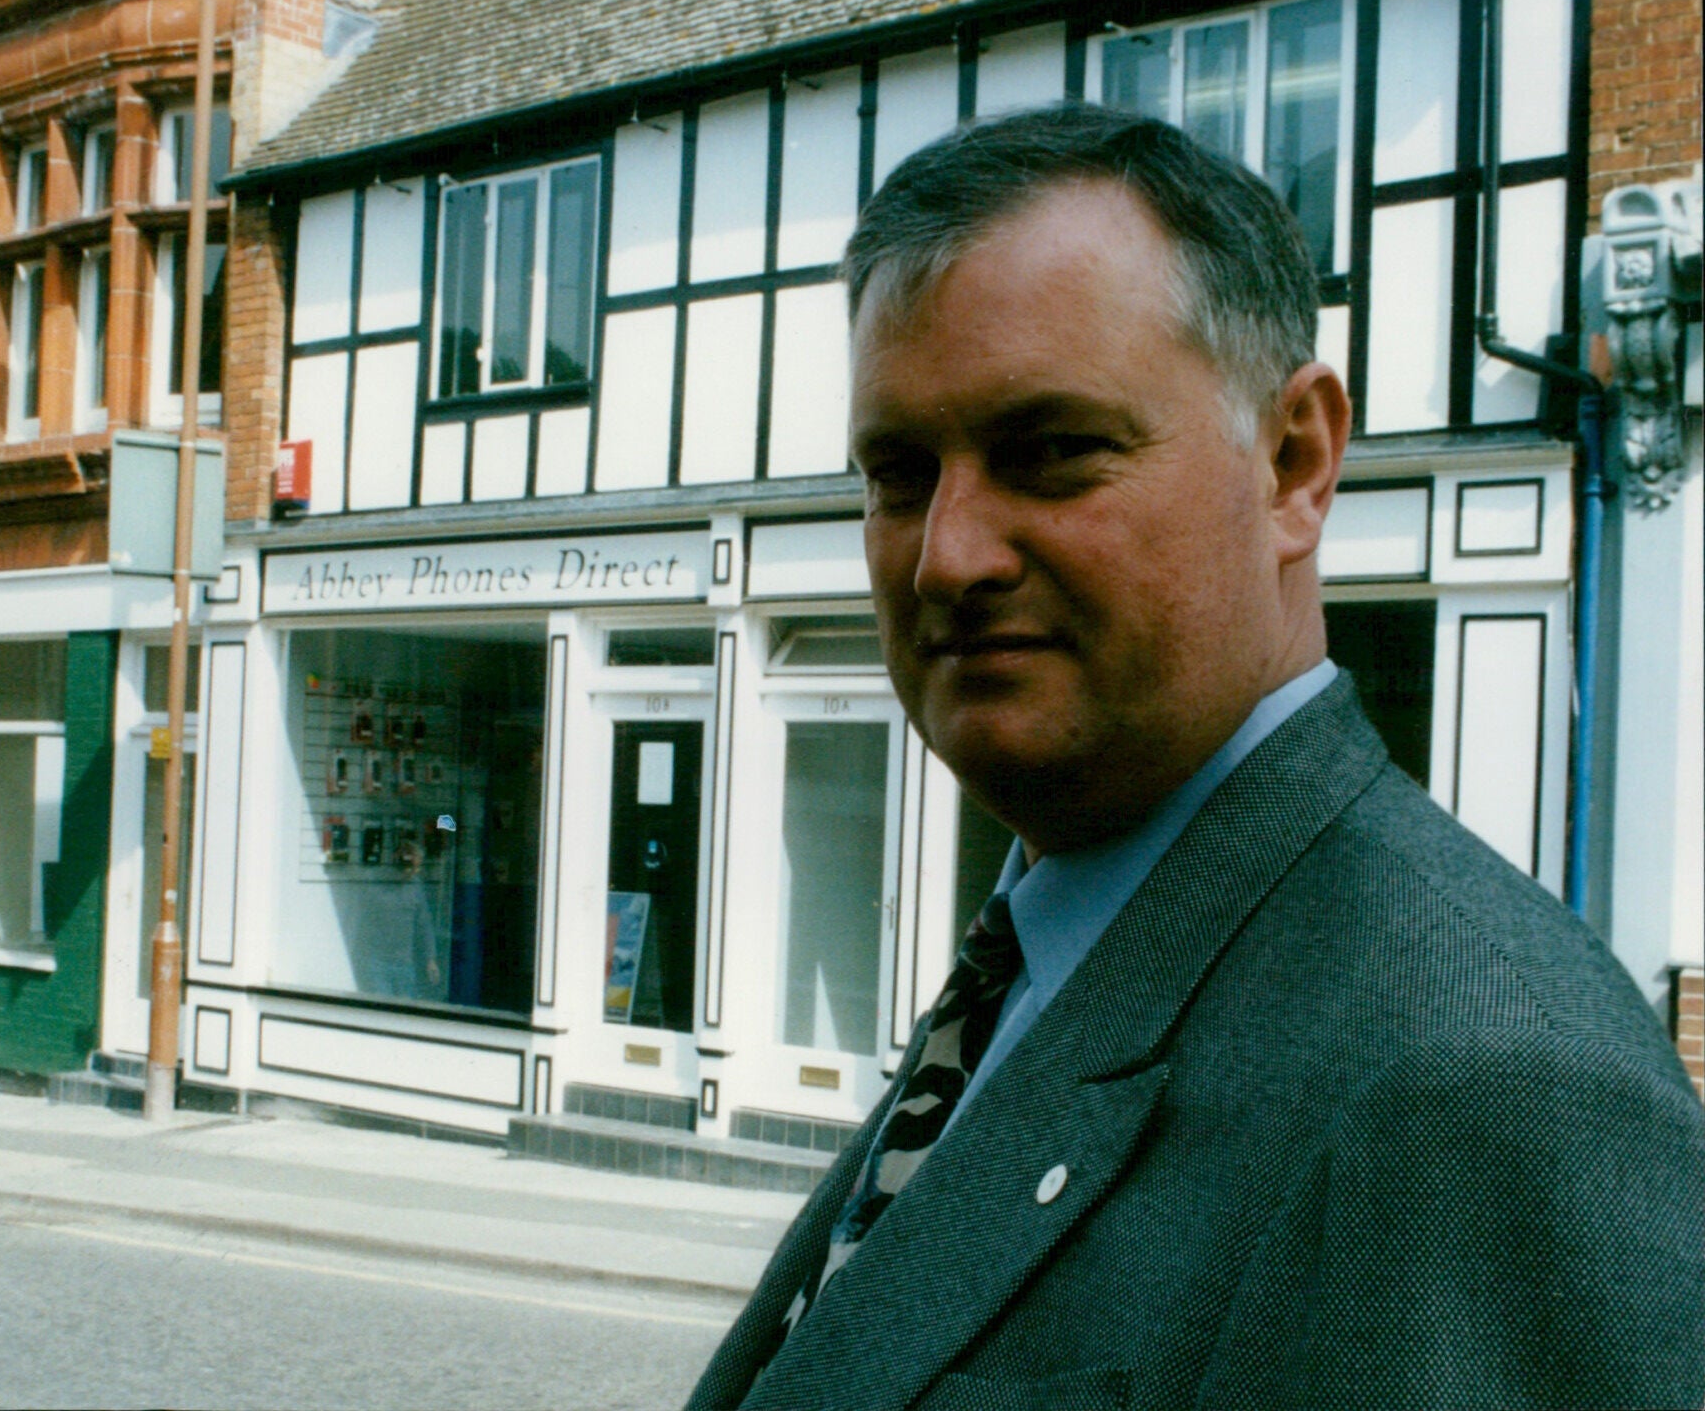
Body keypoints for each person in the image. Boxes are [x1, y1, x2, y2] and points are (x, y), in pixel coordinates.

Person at [689, 105, 1705, 1410]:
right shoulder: (1060, 968)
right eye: (897, 475)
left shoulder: (1479, 1075)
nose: (947, 554)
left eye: (1051, 453)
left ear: (1294, 463)